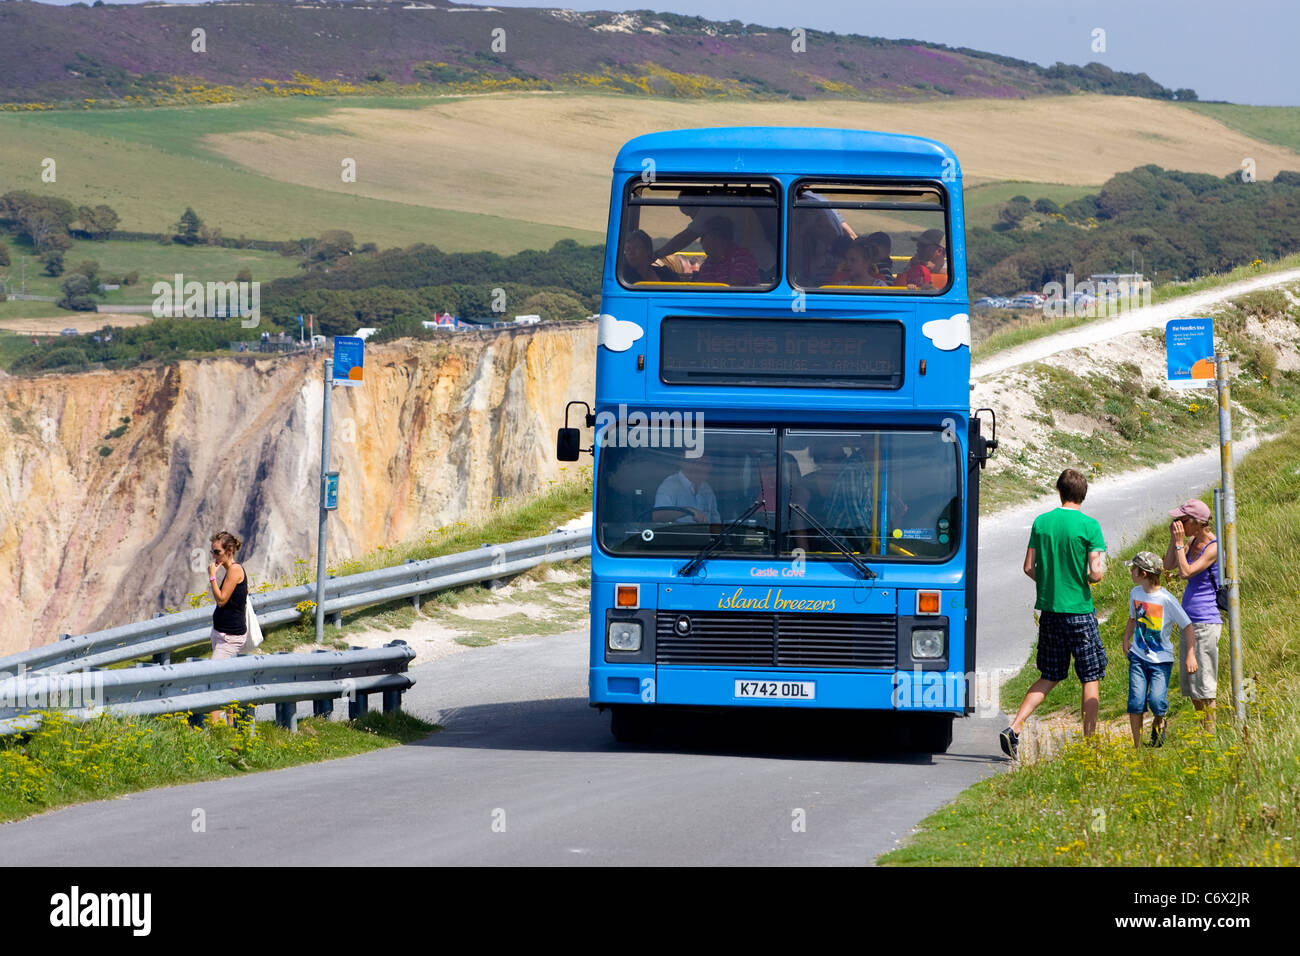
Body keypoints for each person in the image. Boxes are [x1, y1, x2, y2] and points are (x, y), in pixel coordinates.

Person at [1000, 468, 1107, 758]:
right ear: (1083, 495)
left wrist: (1049, 582)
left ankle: (1016, 727)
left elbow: (1027, 567)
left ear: (1059, 491)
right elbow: (1095, 573)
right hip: (1080, 611)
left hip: (1050, 611)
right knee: (1090, 676)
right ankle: (1089, 742)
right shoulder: (1090, 526)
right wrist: (1088, 578)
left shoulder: (1042, 522)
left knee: (1050, 674)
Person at [1123, 551, 1196, 748]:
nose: (1131, 571)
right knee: (1136, 702)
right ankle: (1137, 747)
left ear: (1144, 573)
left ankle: (1160, 720)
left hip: (1161, 661)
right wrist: (1125, 639)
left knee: (1156, 701)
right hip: (1138, 657)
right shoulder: (1135, 593)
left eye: (1133, 568)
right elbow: (1132, 618)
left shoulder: (1166, 599)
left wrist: (1190, 654)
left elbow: (1188, 626)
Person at [1163, 499, 1222, 730]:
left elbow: (1186, 572)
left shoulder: (1214, 546)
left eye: (1182, 520)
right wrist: (1174, 539)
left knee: (1204, 686)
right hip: (1189, 622)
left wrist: (1179, 544)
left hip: (1205, 622)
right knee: (1192, 687)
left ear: (1197, 522)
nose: (1178, 523)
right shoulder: (1191, 540)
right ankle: (1204, 735)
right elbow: (1169, 566)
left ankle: (1210, 737)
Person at [654, 188, 776, 274]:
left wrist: (656, 255)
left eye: (690, 213)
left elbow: (685, 238)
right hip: (761, 261)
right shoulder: (722, 202)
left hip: (757, 264)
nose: (692, 218)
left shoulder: (712, 206)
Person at [207, 530, 248, 726]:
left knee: (214, 681)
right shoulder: (230, 570)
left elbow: (222, 600)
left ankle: (215, 731)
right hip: (220, 634)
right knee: (224, 680)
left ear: (229, 550)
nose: (214, 557)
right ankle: (230, 725)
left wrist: (212, 577)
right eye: (212, 552)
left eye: (217, 552)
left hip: (230, 637)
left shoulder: (235, 571)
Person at [653, 454, 720, 525]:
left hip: (705, 535)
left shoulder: (706, 488)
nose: (707, 469)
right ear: (686, 464)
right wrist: (686, 511)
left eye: (707, 464)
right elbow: (658, 516)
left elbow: (715, 521)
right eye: (701, 464)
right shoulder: (670, 485)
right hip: (678, 535)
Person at [695, 217, 759, 286]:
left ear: (716, 236)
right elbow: (703, 287)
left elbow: (736, 286)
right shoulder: (708, 263)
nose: (701, 242)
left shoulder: (742, 257)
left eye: (703, 237)